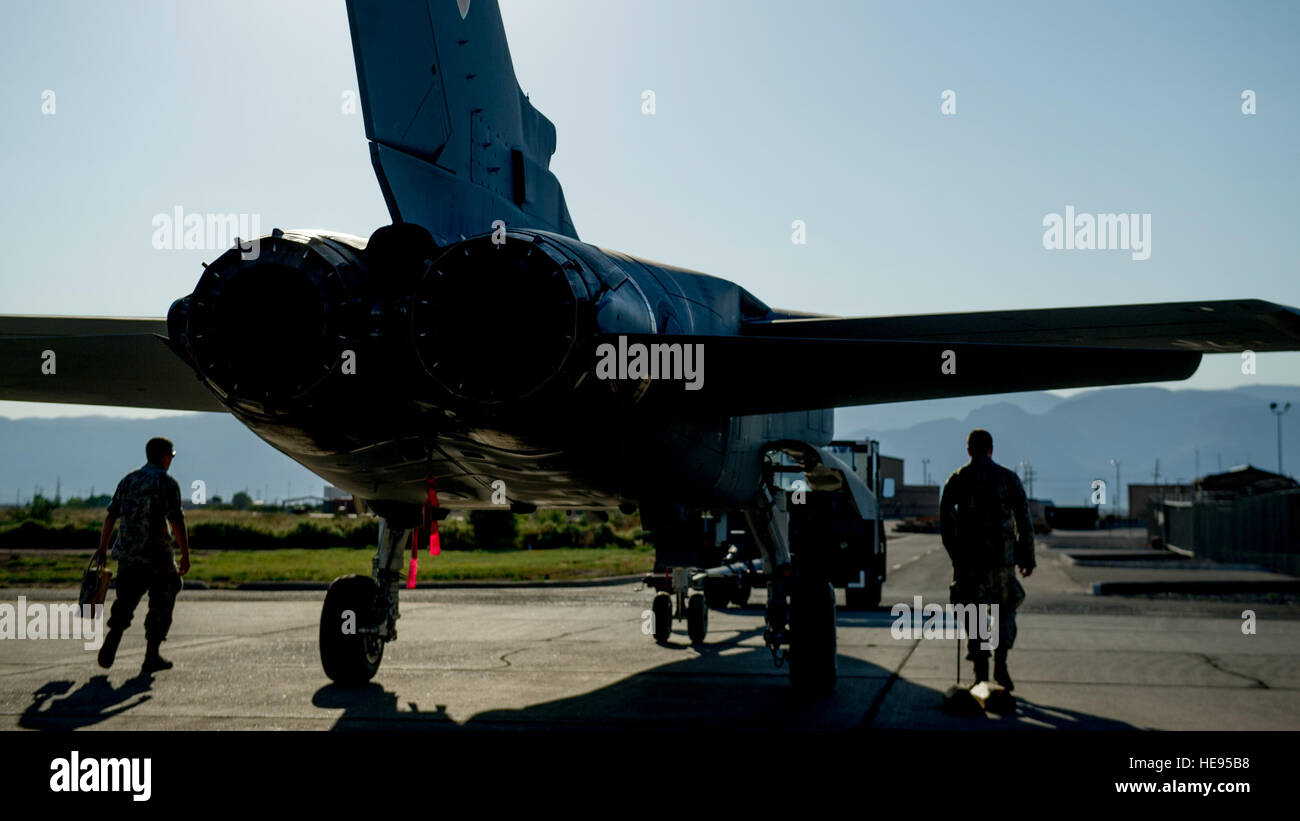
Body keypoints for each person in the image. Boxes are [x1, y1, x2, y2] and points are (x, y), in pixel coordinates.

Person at [939, 429, 1034, 690]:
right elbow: (1024, 521)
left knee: (974, 613)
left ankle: (980, 673)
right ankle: (1001, 665)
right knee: (1005, 610)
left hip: (970, 561)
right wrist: (1027, 557)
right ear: (991, 449)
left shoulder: (959, 479)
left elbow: (947, 523)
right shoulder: (1008, 478)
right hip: (1002, 560)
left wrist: (956, 555)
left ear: (969, 450)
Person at [94, 437, 190, 673]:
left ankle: (113, 637)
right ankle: (151, 655)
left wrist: (102, 548)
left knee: (125, 601)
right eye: (171, 456)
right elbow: (176, 519)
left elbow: (111, 515)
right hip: (158, 556)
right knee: (163, 600)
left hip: (128, 554)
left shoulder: (129, 480)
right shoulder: (166, 483)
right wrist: (185, 554)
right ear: (165, 457)